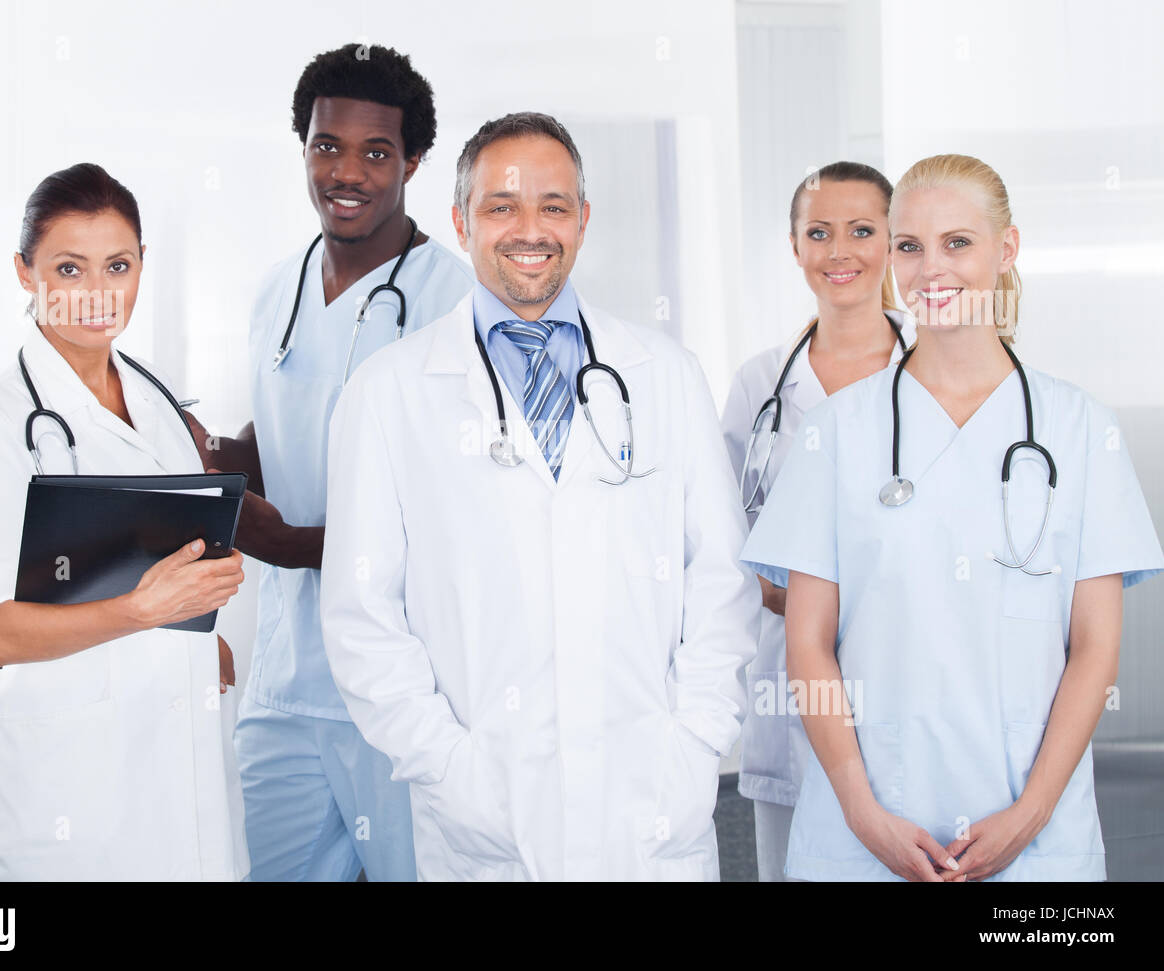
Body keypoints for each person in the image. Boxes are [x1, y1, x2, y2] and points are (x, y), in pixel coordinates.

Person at [320, 111, 760, 881]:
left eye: (554, 206)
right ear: (461, 221)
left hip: (649, 812)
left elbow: (721, 581)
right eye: (502, 206)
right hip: (482, 822)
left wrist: (693, 746)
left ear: (583, 220)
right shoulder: (388, 393)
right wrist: (452, 768)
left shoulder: (664, 374)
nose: (531, 229)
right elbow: (362, 619)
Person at [741, 154, 1164, 881]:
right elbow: (807, 646)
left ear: (1008, 249)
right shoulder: (835, 432)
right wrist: (861, 812)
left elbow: (1094, 649)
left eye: (958, 243)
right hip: (864, 840)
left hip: (1035, 842)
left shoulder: (1078, 428)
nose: (930, 269)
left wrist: (1028, 816)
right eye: (909, 246)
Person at [188, 44, 472, 882]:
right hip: (286, 684)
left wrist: (295, 545)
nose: (347, 171)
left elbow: (455, 506)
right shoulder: (277, 289)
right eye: (326, 146)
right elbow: (283, 435)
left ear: (414, 161)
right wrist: (210, 457)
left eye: (376, 152)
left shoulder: (452, 304)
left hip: (403, 686)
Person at [0, 162, 249, 880]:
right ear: (24, 272)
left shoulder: (157, 402)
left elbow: (164, 551)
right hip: (73, 808)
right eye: (68, 269)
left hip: (185, 782)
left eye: (118, 265)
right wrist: (142, 611)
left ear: (143, 265)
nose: (97, 295)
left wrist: (204, 631)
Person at [721, 161, 914, 881]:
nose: (841, 251)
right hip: (791, 693)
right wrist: (801, 594)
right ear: (794, 246)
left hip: (916, 676)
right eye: (819, 232)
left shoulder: (939, 369)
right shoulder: (761, 382)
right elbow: (728, 539)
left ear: (894, 241)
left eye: (863, 230)